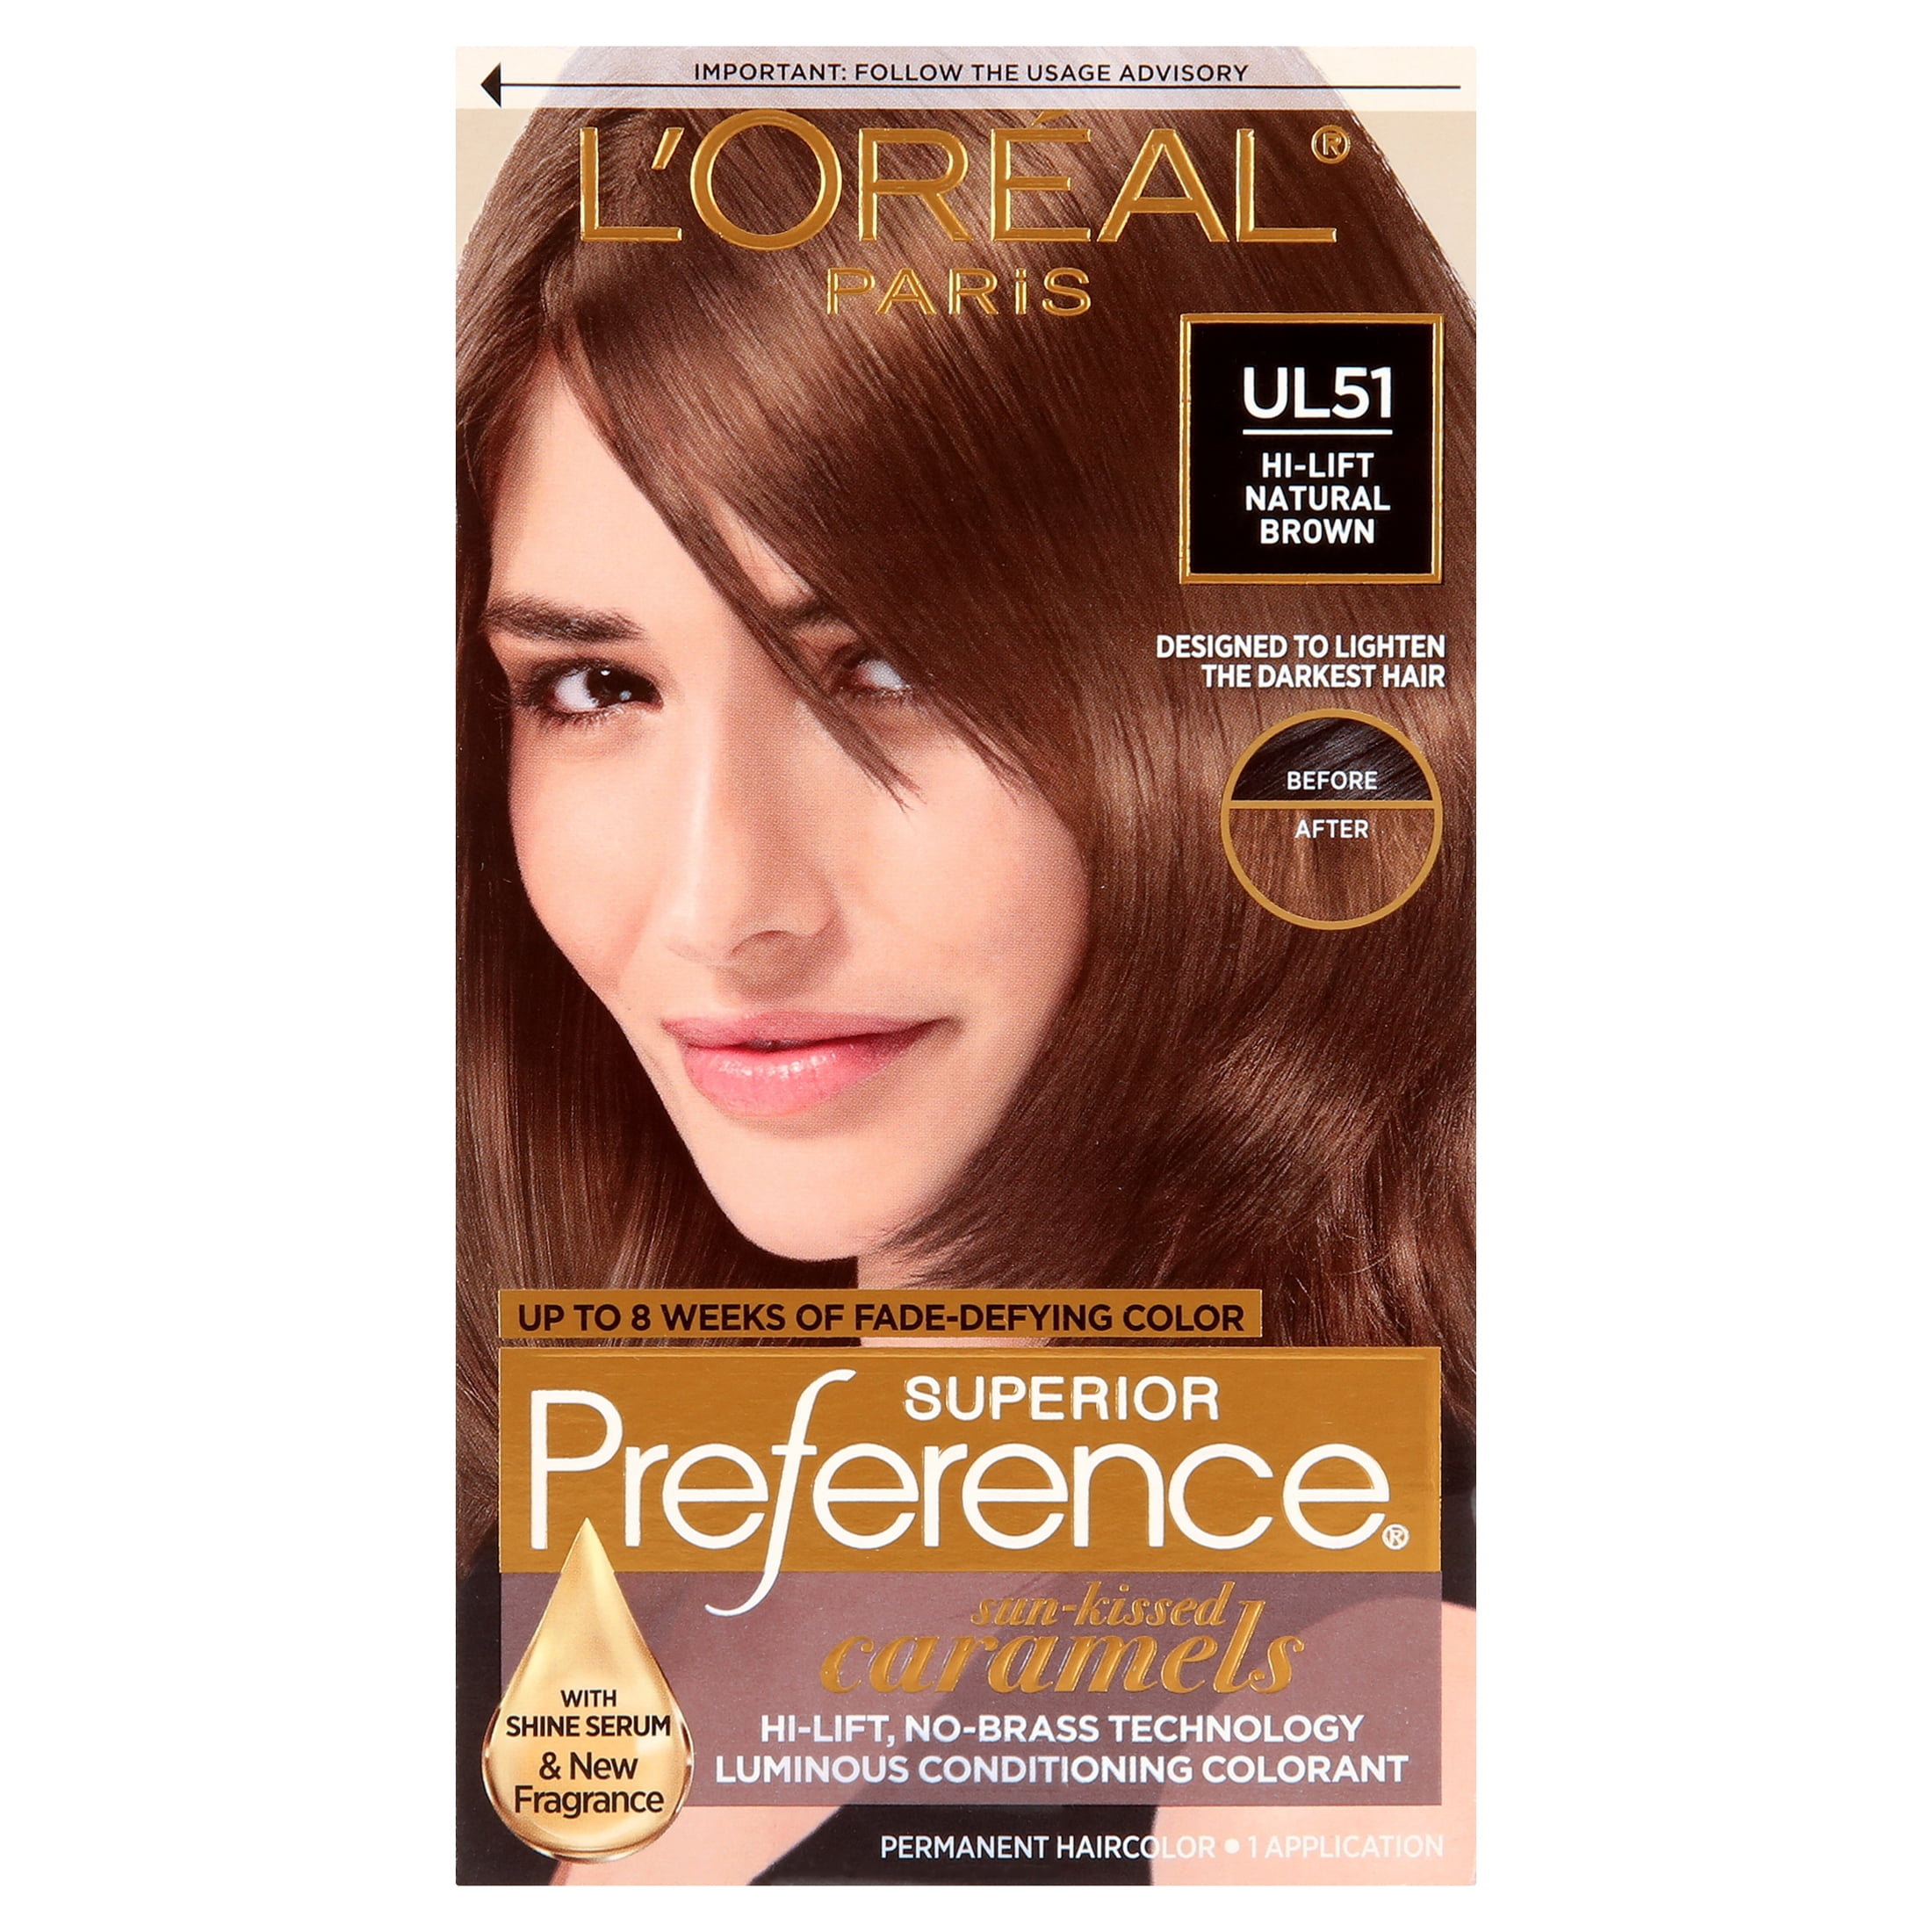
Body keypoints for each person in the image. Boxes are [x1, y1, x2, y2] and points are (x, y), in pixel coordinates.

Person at [458, 101, 1474, 1885]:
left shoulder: (1371, 1715)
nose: (719, 906)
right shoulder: (572, 1538)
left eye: (889, 668)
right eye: (596, 687)